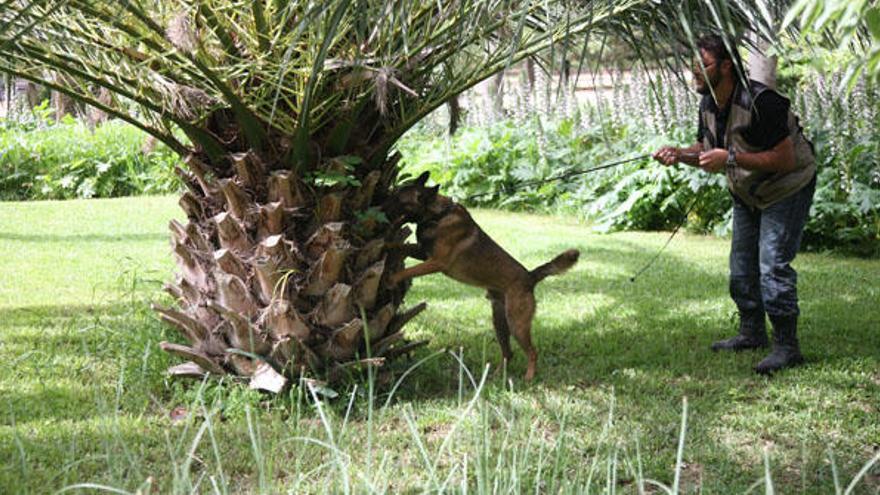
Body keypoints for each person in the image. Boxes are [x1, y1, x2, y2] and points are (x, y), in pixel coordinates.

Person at [653, 34, 816, 375]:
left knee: (772, 266)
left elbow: (785, 160)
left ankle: (787, 347)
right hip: (747, 192)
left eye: (703, 65)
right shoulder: (709, 104)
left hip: (787, 186)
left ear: (726, 66)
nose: (695, 72)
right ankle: (751, 333)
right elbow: (705, 148)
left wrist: (729, 159)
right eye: (693, 65)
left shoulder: (762, 102)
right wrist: (678, 154)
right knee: (741, 268)